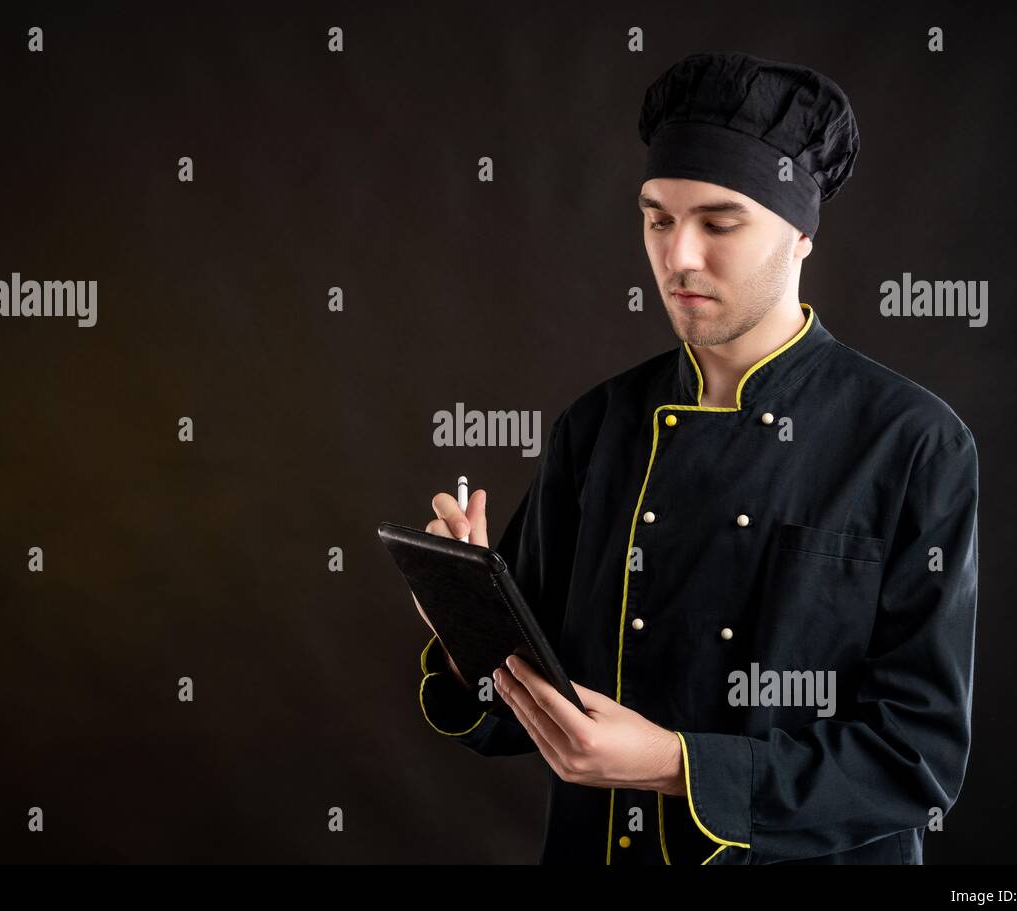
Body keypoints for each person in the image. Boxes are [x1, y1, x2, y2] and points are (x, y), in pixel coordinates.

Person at [413, 51, 978, 865]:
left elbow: (915, 760)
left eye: (719, 223)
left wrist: (679, 768)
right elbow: (527, 711)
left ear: (801, 234)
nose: (678, 257)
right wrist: (473, 623)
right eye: (657, 218)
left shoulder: (913, 442)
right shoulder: (596, 428)